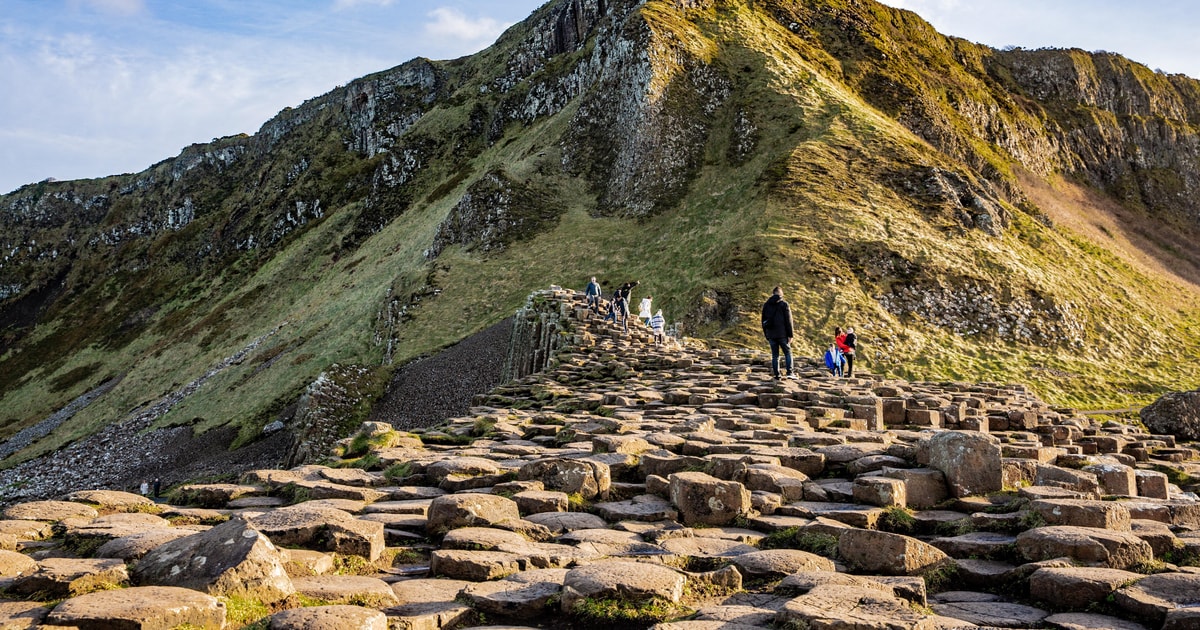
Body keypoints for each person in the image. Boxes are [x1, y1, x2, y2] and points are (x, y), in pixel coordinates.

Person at [761, 287, 796, 379]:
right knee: (788, 353)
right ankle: (790, 373)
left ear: (773, 293)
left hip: (771, 335)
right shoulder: (784, 304)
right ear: (780, 293)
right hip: (782, 334)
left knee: (775, 355)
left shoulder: (766, 305)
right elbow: (789, 321)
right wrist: (790, 335)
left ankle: (777, 375)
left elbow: (763, 321)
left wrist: (766, 335)